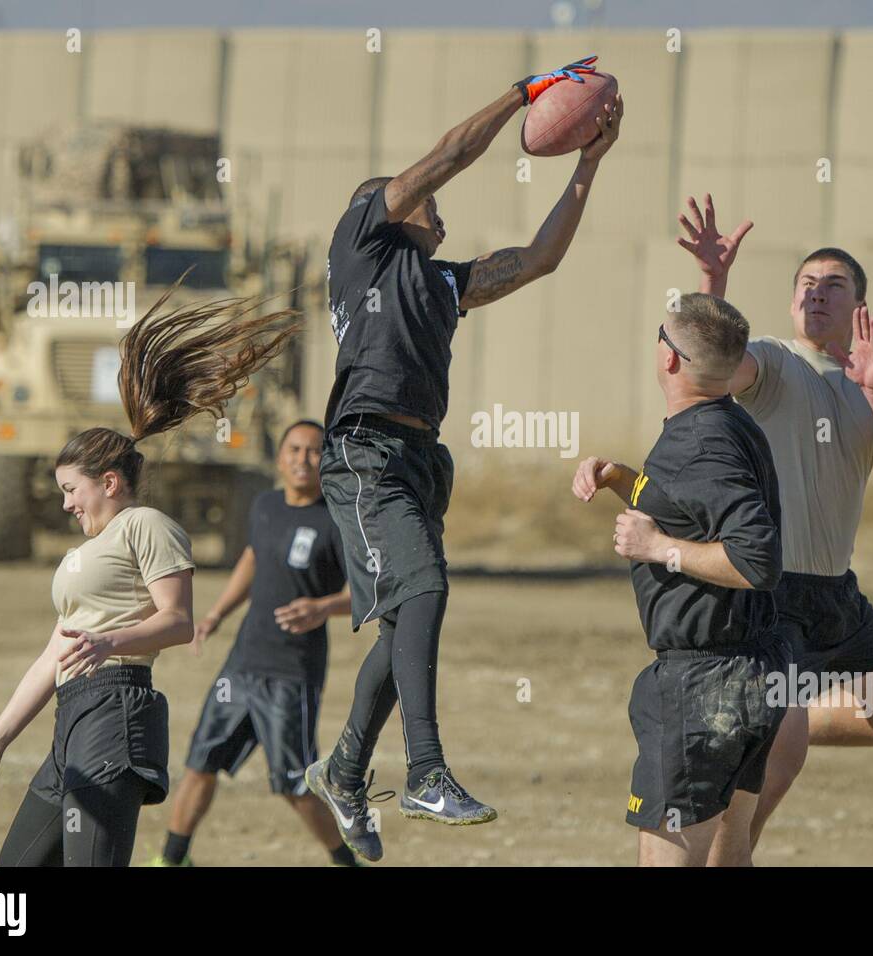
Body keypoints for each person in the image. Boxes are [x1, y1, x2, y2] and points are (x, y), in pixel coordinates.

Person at [305, 56, 623, 863]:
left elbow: (541, 256)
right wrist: (529, 93)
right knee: (428, 589)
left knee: (404, 619)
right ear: (389, 208)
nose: (441, 218)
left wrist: (587, 163)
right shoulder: (363, 240)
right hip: (366, 450)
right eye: (431, 208)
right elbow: (448, 152)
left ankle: (344, 771)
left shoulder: (443, 283)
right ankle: (425, 771)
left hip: (417, 458)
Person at [0, 290, 299, 866]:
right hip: (73, 717)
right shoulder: (86, 554)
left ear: (109, 482)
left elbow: (178, 621)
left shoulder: (147, 525)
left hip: (117, 713)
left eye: (72, 490)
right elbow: (51, 659)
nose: (66, 505)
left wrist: (109, 641)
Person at [677, 194, 873, 855]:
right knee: (767, 782)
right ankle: (777, 731)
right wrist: (714, 284)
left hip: (834, 596)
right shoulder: (771, 361)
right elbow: (705, 369)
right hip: (768, 597)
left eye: (834, 285)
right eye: (806, 283)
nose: (816, 293)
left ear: (858, 306)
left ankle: (794, 716)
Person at [572, 293, 789, 867]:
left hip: (705, 682)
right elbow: (692, 506)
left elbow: (754, 559)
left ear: (668, 358)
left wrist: (657, 547)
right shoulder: (727, 424)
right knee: (728, 853)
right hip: (751, 669)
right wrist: (622, 479)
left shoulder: (699, 442)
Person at [151, 420, 358, 867]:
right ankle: (171, 859)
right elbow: (252, 558)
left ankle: (346, 861)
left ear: (328, 461)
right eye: (295, 449)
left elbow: (368, 593)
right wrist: (216, 614)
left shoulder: (338, 520)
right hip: (241, 665)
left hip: (291, 674)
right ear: (280, 458)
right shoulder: (264, 506)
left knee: (294, 785)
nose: (303, 459)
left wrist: (323, 607)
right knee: (200, 763)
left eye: (315, 451)